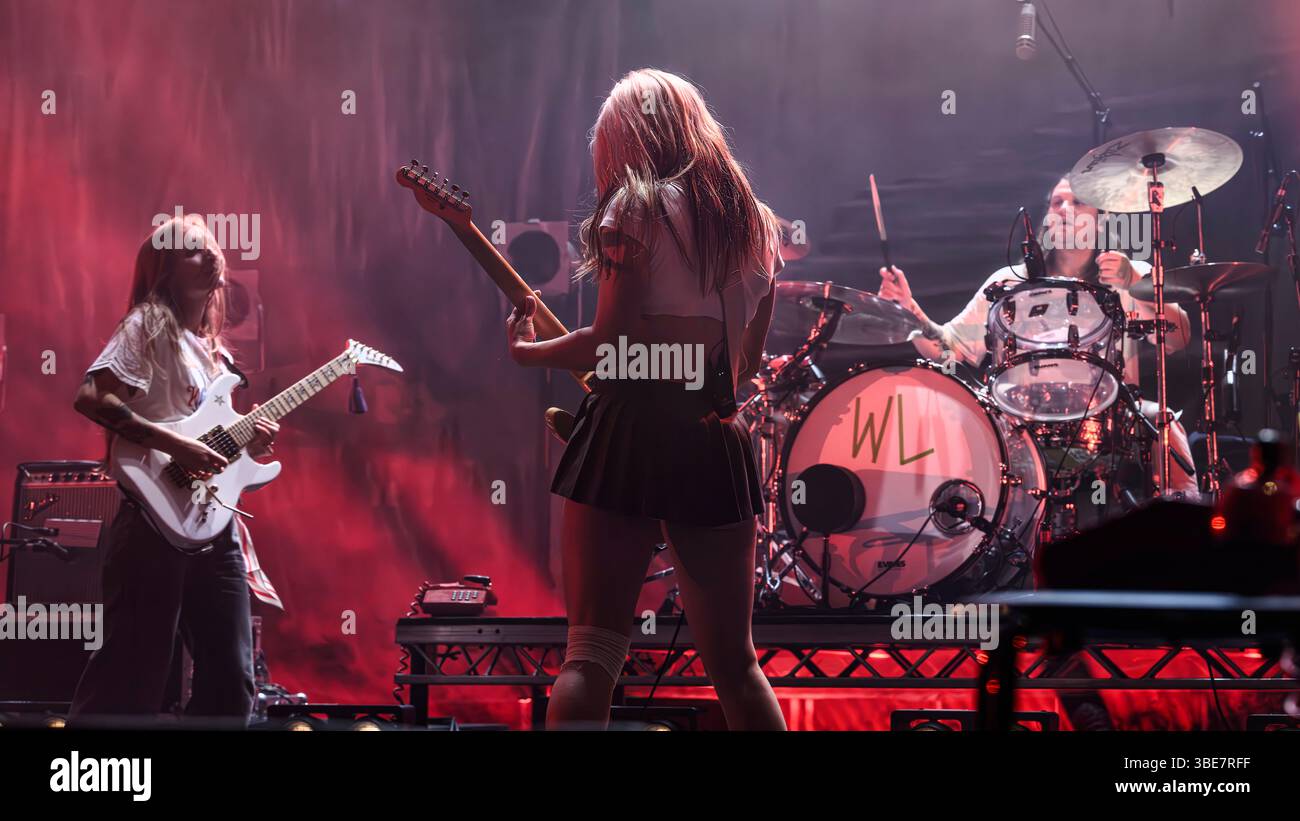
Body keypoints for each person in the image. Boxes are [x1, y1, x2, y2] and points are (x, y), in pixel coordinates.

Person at [505, 69, 787, 730]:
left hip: (630, 430)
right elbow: (741, 367)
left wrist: (530, 352)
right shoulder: (757, 224)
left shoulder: (633, 207)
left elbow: (611, 341)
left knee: (590, 654)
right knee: (738, 666)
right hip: (714, 437)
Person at [68, 214, 278, 724]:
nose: (210, 255)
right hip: (152, 523)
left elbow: (207, 439)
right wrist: (177, 448)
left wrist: (248, 438)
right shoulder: (146, 324)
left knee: (232, 683)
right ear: (163, 269)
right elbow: (93, 398)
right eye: (191, 250)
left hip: (213, 525)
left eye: (211, 247)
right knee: (131, 677)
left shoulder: (214, 354)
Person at [878, 175, 1199, 496]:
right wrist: (909, 312)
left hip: (1111, 417)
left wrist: (1133, 282)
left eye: (1077, 202)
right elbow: (949, 351)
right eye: (1056, 202)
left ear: (1100, 221)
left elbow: (1179, 337)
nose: (1064, 209)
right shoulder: (1009, 282)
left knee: (1165, 423)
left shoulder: (1131, 273)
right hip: (1022, 419)